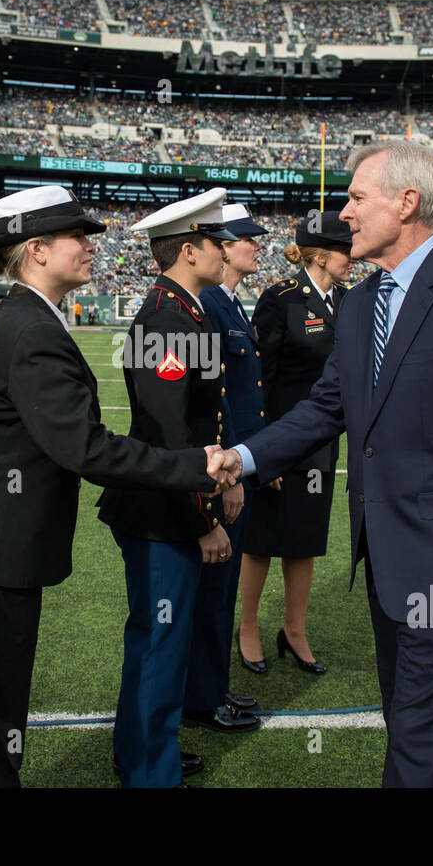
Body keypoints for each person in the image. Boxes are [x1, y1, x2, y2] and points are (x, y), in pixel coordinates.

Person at [220, 140, 433, 787]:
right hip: (385, 562)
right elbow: (323, 409)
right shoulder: (363, 303)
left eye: (357, 198)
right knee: (410, 722)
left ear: (407, 202)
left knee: (423, 748)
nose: (344, 213)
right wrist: (242, 456)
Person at [0, 185, 235, 788]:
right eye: (78, 237)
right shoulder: (31, 327)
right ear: (36, 250)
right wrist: (198, 465)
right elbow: (85, 448)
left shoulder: (31, 317)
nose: (92, 247)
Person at [97, 187, 238, 788]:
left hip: (169, 503)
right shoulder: (164, 317)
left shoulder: (185, 311)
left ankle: (147, 750)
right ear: (188, 249)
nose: (224, 249)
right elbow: (166, 432)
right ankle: (148, 770)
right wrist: (202, 518)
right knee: (159, 641)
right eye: (215, 241)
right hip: (162, 510)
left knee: (165, 641)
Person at [238, 210, 353, 676]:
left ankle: (295, 631)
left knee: (305, 540)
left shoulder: (352, 299)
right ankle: (247, 628)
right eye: (345, 248)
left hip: (321, 444)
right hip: (280, 442)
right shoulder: (279, 299)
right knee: (261, 540)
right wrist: (267, 451)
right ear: (321, 254)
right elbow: (258, 380)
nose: (353, 255)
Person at [183, 203, 269, 734]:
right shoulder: (212, 303)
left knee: (223, 584)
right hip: (223, 470)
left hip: (238, 464)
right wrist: (232, 474)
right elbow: (214, 400)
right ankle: (201, 697)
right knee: (213, 589)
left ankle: (210, 688)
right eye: (246, 240)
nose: (256, 246)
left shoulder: (231, 304)